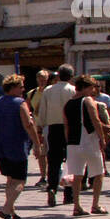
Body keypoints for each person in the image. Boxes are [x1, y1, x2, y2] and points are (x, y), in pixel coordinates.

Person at [0, 73, 44, 219]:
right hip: (16, 145)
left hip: (1, 145)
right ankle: (6, 209)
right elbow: (28, 124)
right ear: (14, 87)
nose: (23, 90)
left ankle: (11, 211)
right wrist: (36, 143)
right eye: (21, 87)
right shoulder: (20, 103)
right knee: (20, 180)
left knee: (10, 179)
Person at [65, 74, 108, 216]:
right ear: (85, 87)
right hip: (88, 140)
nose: (93, 91)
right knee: (98, 172)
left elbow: (66, 125)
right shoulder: (87, 100)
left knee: (77, 175)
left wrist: (68, 141)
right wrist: (102, 138)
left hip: (72, 143)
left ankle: (76, 205)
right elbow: (94, 119)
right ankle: (95, 204)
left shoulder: (68, 103)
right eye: (91, 87)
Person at [36, 64, 77, 206]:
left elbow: (42, 110)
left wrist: (41, 125)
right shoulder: (73, 90)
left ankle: (52, 187)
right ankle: (68, 193)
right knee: (70, 162)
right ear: (71, 77)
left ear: (58, 75)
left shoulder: (48, 90)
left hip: (53, 128)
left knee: (53, 161)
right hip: (70, 128)